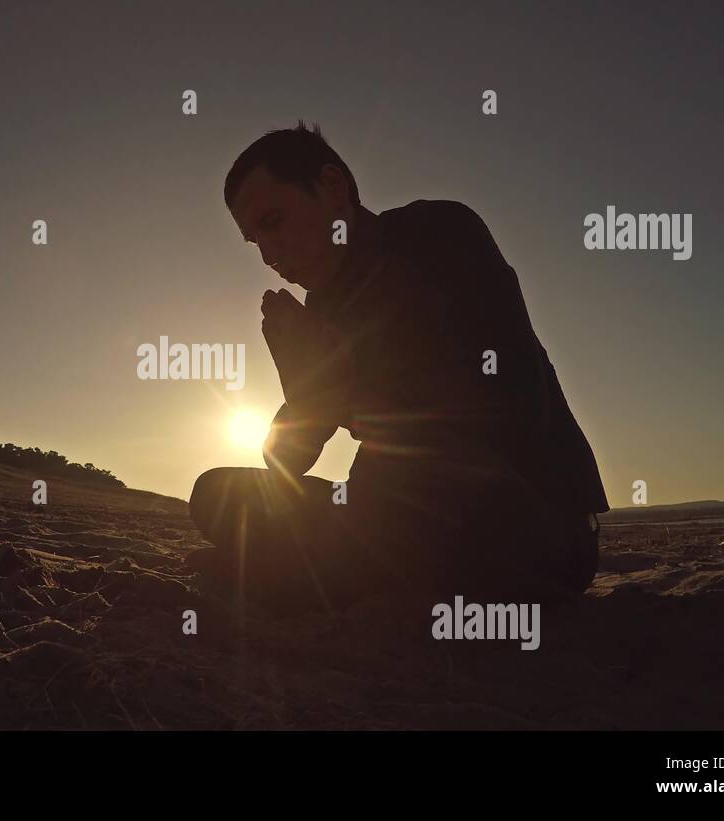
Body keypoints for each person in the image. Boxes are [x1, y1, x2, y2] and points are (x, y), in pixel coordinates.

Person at [186, 120, 610, 615]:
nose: (268, 254)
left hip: (526, 515)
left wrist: (341, 379)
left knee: (411, 508)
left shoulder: (440, 235)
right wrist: (304, 389)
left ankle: (322, 574)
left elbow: (501, 398)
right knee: (215, 494)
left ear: (333, 187)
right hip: (390, 519)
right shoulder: (320, 311)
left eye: (273, 221)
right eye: (255, 240)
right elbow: (289, 463)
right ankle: (346, 572)